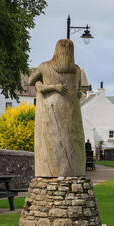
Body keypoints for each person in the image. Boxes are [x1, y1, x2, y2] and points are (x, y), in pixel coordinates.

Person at [29, 39, 85, 177]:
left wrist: (42, 86)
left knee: (51, 143)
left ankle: (50, 172)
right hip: (71, 111)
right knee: (71, 143)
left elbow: (31, 81)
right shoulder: (76, 70)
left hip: (50, 109)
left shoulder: (44, 66)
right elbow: (79, 91)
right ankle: (73, 171)